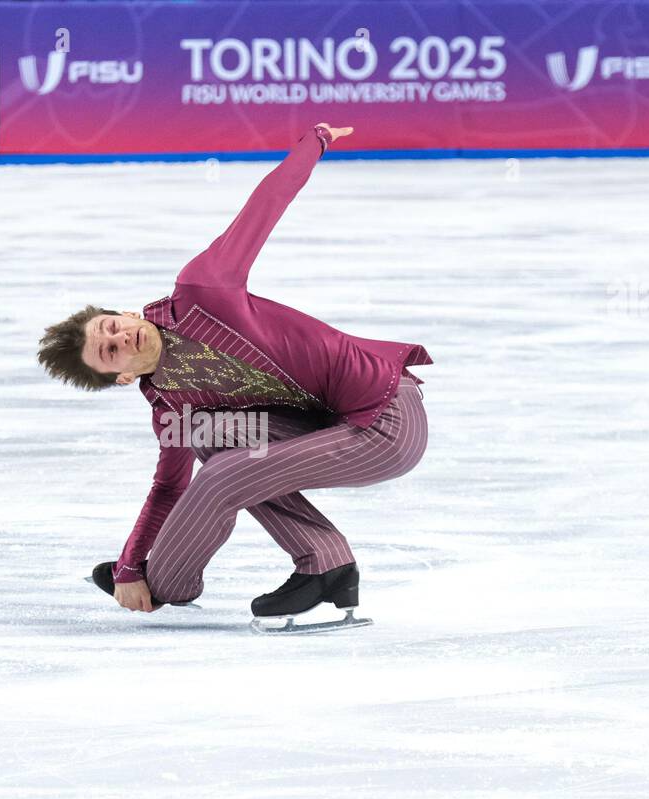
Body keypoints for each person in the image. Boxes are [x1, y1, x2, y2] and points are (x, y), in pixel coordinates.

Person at [37, 123, 432, 620]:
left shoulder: (204, 289)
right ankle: (326, 561)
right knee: (209, 437)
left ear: (128, 314)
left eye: (111, 327)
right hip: (331, 424)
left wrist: (317, 141)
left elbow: (264, 206)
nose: (120, 340)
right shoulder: (170, 404)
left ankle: (170, 587)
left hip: (385, 420)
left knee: (224, 476)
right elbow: (167, 488)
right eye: (110, 352)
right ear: (120, 377)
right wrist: (130, 564)